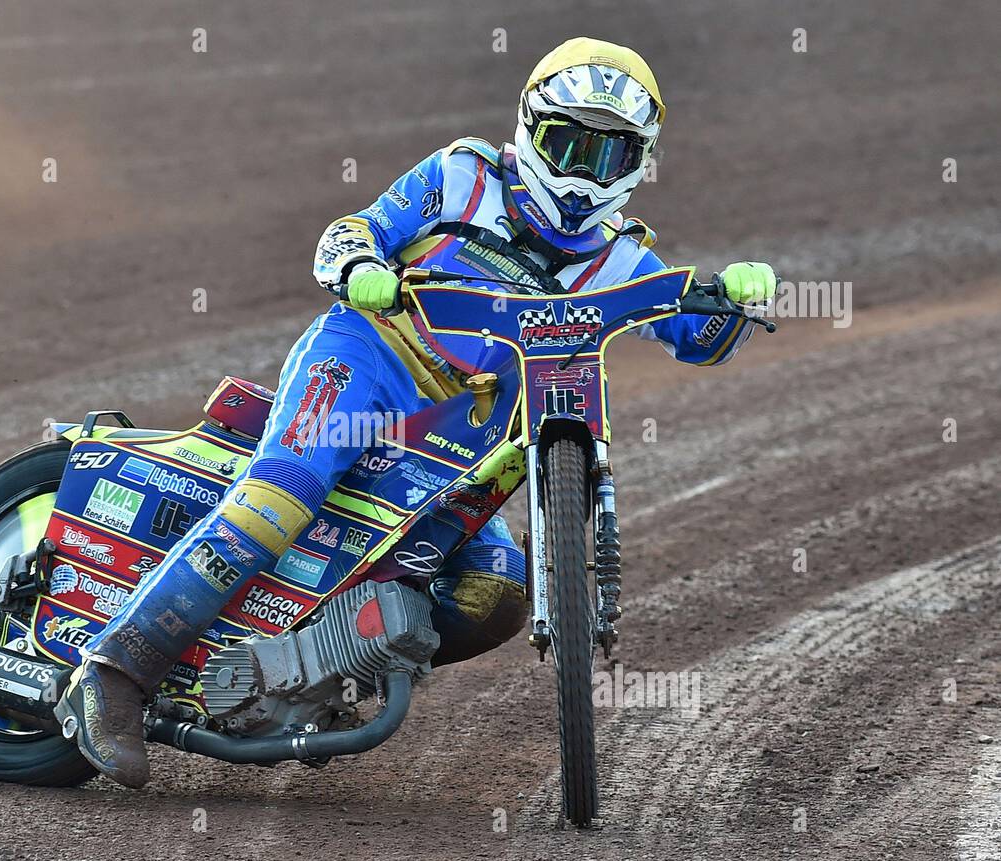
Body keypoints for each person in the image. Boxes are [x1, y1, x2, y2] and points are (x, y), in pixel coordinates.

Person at [55, 37, 778, 788]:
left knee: (496, 591)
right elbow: (351, 231)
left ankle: (322, 670)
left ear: (638, 162)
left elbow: (696, 336)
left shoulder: (623, 257)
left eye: (608, 155)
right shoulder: (462, 177)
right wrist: (363, 267)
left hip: (454, 441)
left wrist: (737, 295)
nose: (581, 173)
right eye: (566, 143)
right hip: (368, 362)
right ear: (531, 128)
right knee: (285, 492)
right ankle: (113, 673)